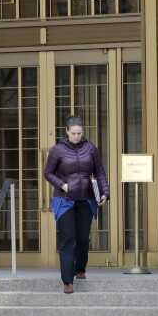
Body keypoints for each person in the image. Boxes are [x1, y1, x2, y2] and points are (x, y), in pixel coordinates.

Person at [43, 116, 110, 293]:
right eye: (73, 133)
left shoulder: (91, 149)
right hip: (65, 200)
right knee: (68, 239)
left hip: (86, 199)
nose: (76, 136)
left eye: (79, 133)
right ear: (67, 131)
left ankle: (80, 268)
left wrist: (105, 192)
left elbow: (100, 172)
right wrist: (62, 185)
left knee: (82, 238)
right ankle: (67, 280)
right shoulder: (57, 150)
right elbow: (48, 173)